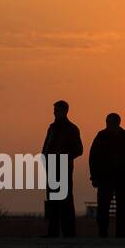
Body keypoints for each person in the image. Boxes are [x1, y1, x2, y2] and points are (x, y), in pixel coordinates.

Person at [88, 112, 125, 238]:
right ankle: (102, 232)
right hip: (105, 178)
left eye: (110, 122)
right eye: (107, 122)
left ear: (117, 123)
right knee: (103, 206)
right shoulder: (101, 136)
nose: (108, 125)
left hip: (123, 178)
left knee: (123, 207)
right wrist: (94, 176)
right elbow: (93, 157)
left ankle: (121, 233)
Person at [41, 100, 83, 237]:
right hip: (51, 167)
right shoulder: (52, 128)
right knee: (52, 200)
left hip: (63, 168)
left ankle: (69, 232)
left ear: (64, 111)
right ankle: (52, 232)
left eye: (57, 110)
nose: (54, 112)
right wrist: (44, 158)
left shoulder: (71, 129)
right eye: (54, 110)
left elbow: (79, 150)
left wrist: (63, 156)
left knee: (65, 201)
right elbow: (46, 146)